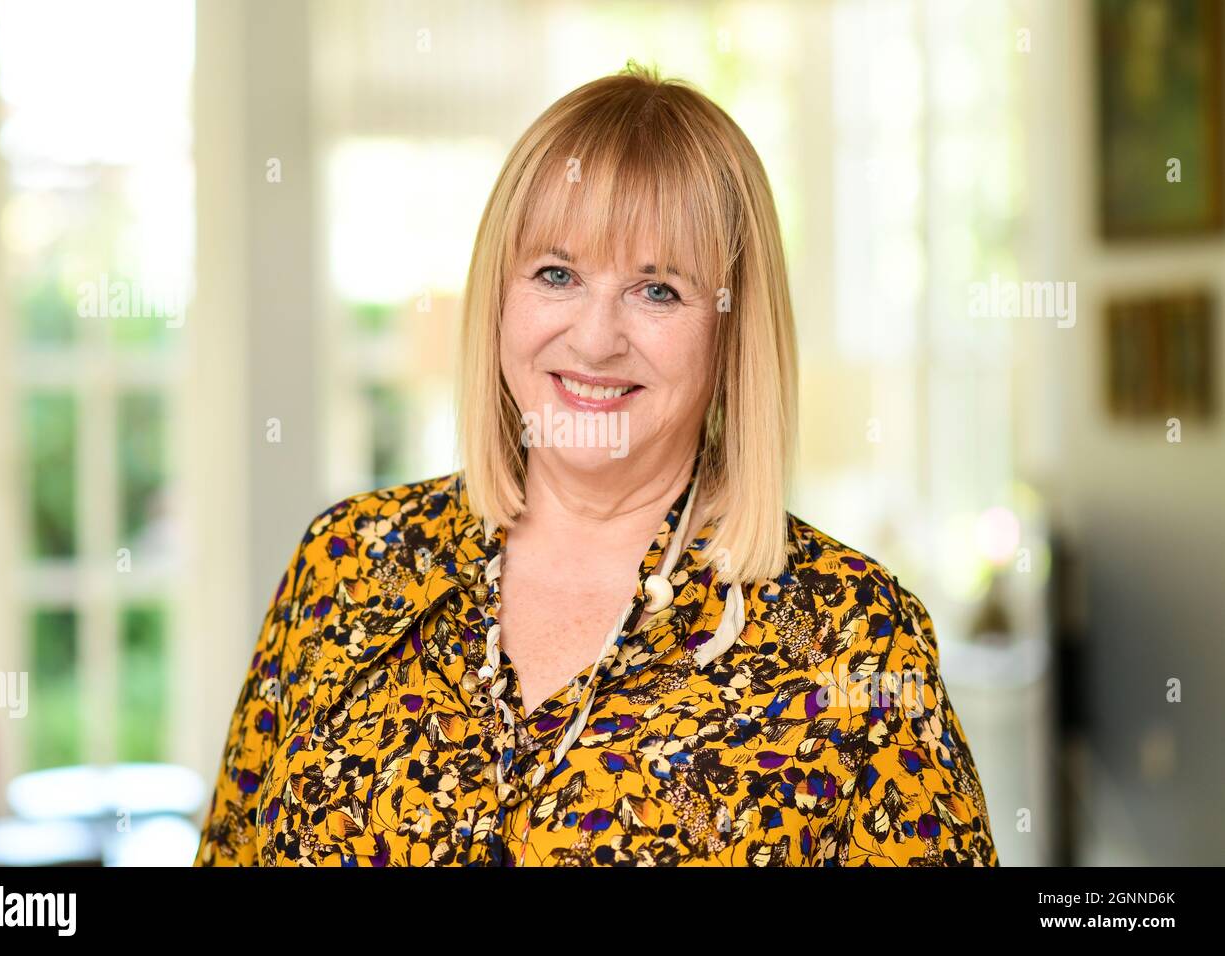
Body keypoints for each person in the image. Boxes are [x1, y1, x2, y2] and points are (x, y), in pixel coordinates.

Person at [194, 62, 998, 867]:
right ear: (499, 297)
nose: (593, 338)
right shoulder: (347, 561)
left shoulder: (855, 637)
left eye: (657, 291)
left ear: (731, 332)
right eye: (557, 274)